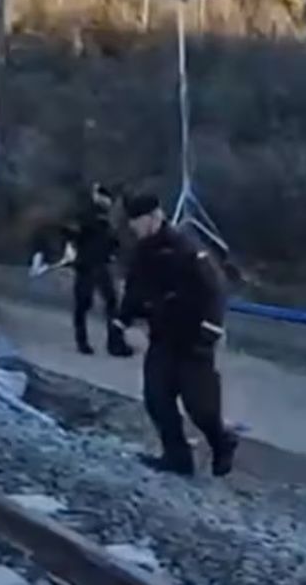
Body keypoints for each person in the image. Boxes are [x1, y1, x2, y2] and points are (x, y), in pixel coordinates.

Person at [116, 192, 237, 476]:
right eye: (132, 221)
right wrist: (120, 325)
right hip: (162, 336)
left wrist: (210, 331)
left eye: (139, 220)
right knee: (157, 399)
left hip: (193, 338)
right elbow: (134, 290)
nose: (134, 227)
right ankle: (177, 458)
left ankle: (223, 442)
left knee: (201, 407)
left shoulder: (186, 248)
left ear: (155, 217)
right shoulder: (142, 253)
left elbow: (215, 291)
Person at [67, 183, 133, 357]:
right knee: (86, 304)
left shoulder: (103, 217)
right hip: (88, 265)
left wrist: (112, 251)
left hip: (97, 264)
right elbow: (76, 234)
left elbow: (109, 240)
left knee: (108, 304)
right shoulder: (89, 214)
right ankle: (86, 342)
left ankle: (112, 342)